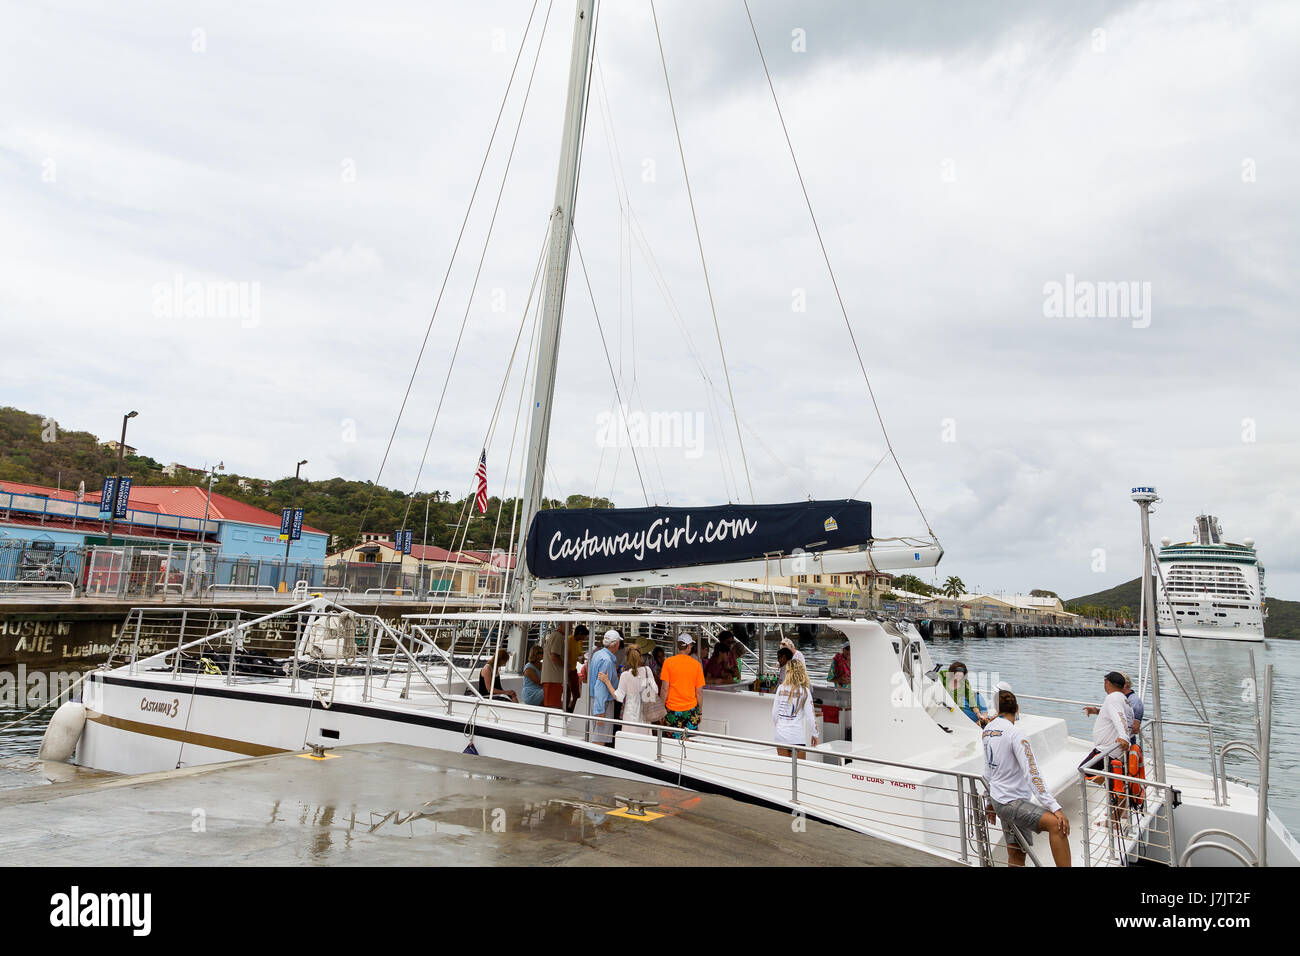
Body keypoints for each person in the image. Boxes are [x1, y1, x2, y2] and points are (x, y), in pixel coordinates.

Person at [981, 690, 1071, 867]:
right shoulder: (1015, 733)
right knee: (1057, 826)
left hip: (999, 799)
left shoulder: (987, 731)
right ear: (1017, 709)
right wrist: (1054, 807)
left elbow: (987, 771)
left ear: (997, 709)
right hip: (1011, 801)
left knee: (1016, 853)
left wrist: (988, 801)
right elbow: (1032, 773)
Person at [1080, 671, 1132, 772]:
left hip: (1107, 750)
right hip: (1114, 750)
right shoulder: (1123, 699)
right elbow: (1120, 717)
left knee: (1083, 772)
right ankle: (1108, 781)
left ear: (1107, 682)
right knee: (1100, 774)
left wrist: (1124, 736)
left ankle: (1105, 782)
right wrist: (1096, 711)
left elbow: (1120, 717)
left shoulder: (1113, 698)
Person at [598, 646, 656, 734]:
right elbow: (655, 691)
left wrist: (607, 682)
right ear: (640, 656)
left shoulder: (625, 675)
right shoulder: (647, 670)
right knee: (644, 742)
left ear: (627, 658)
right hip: (644, 714)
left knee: (629, 741)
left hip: (630, 714)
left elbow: (618, 697)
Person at [660, 633, 706, 737]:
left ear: (678, 646)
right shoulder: (696, 665)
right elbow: (699, 692)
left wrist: (661, 709)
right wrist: (700, 712)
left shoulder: (668, 662)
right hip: (691, 710)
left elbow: (664, 689)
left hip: (672, 710)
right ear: (689, 646)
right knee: (690, 742)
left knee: (671, 742)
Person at [772, 658, 818, 759]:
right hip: (796, 737)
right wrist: (815, 734)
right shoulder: (805, 691)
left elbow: (774, 714)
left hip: (781, 735)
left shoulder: (780, 688)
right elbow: (811, 716)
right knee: (799, 770)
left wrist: (780, 727)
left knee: (784, 769)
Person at [589, 630, 621, 746]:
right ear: (616, 644)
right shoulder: (607, 661)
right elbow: (600, 686)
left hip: (596, 700)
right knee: (600, 739)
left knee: (598, 735)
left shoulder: (597, 654)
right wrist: (600, 711)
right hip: (603, 703)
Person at [937, 660, 989, 726]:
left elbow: (971, 701)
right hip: (941, 705)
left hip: (955, 710)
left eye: (961, 676)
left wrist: (978, 714)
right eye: (957, 675)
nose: (959, 678)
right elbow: (936, 684)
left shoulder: (965, 683)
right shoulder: (943, 675)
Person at [541, 624, 567, 709]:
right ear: (562, 625)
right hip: (553, 679)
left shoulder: (555, 635)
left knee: (553, 705)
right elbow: (554, 657)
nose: (571, 628)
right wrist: (566, 665)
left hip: (553, 679)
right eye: (570, 625)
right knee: (553, 707)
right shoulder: (558, 636)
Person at [566, 625, 588, 713]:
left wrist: (581, 658)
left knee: (576, 693)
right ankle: (566, 709)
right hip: (567, 670)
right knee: (567, 691)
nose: (585, 638)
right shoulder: (568, 640)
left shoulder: (579, 642)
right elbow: (565, 656)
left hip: (573, 669)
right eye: (584, 636)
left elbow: (579, 654)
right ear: (580, 634)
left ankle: (571, 709)